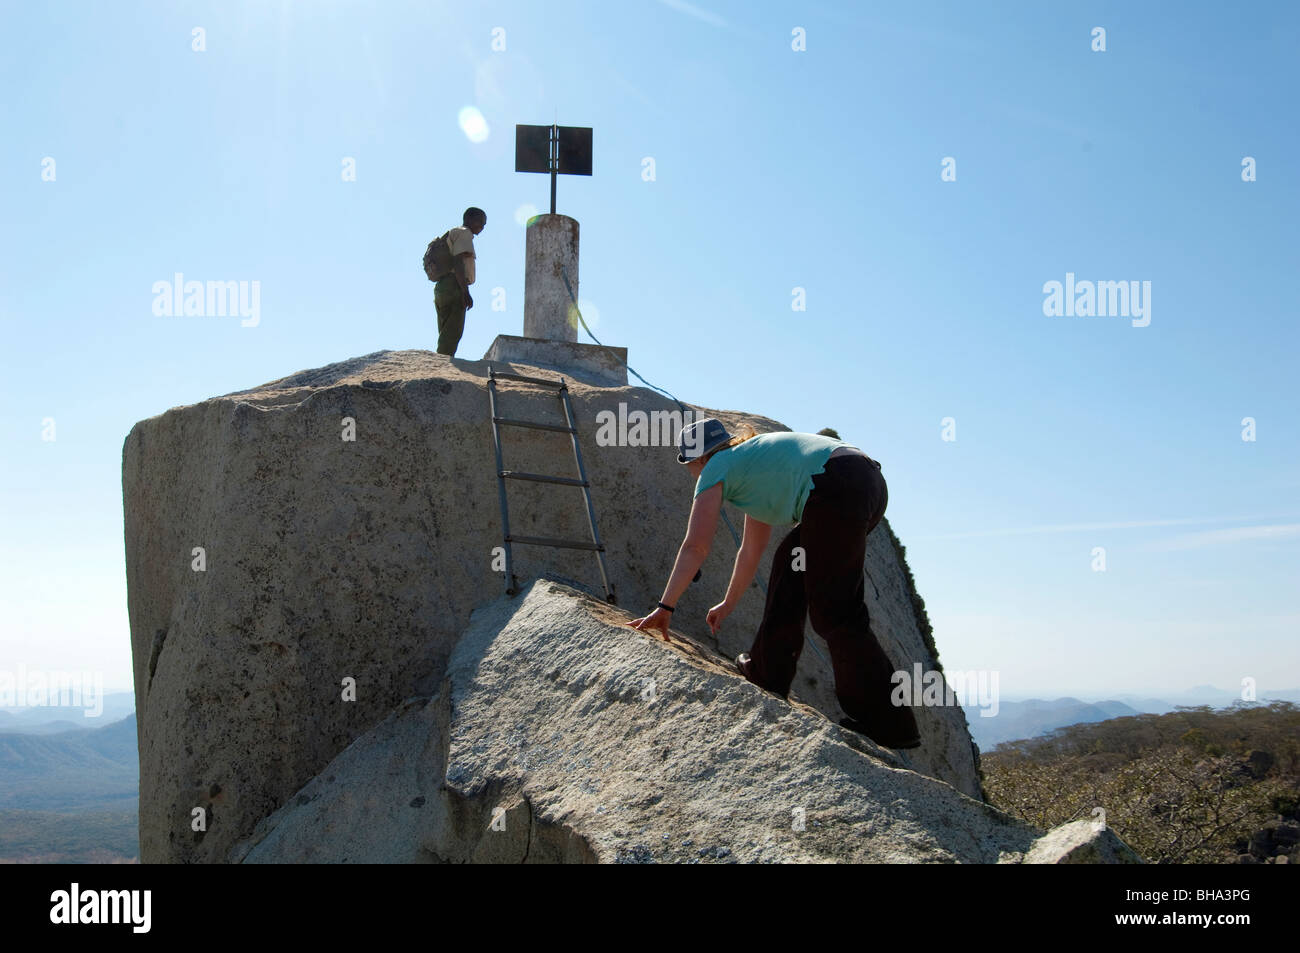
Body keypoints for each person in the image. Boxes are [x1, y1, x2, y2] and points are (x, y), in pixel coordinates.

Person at [627, 418, 922, 749]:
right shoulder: (751, 468)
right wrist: (728, 603)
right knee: (790, 565)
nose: (693, 474)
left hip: (839, 485)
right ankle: (768, 672)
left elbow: (696, 545)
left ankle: (891, 723)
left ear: (697, 460)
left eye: (690, 467)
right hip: (863, 482)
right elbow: (750, 551)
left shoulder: (717, 467)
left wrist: (665, 606)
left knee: (836, 612)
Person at [435, 207, 486, 357]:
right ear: (469, 219)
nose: (482, 227)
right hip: (454, 285)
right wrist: (465, 291)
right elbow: (458, 262)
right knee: (453, 331)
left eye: (484, 225)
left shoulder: (454, 232)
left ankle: (442, 359)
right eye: (480, 222)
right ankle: (443, 365)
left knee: (445, 331)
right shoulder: (464, 233)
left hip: (442, 286)